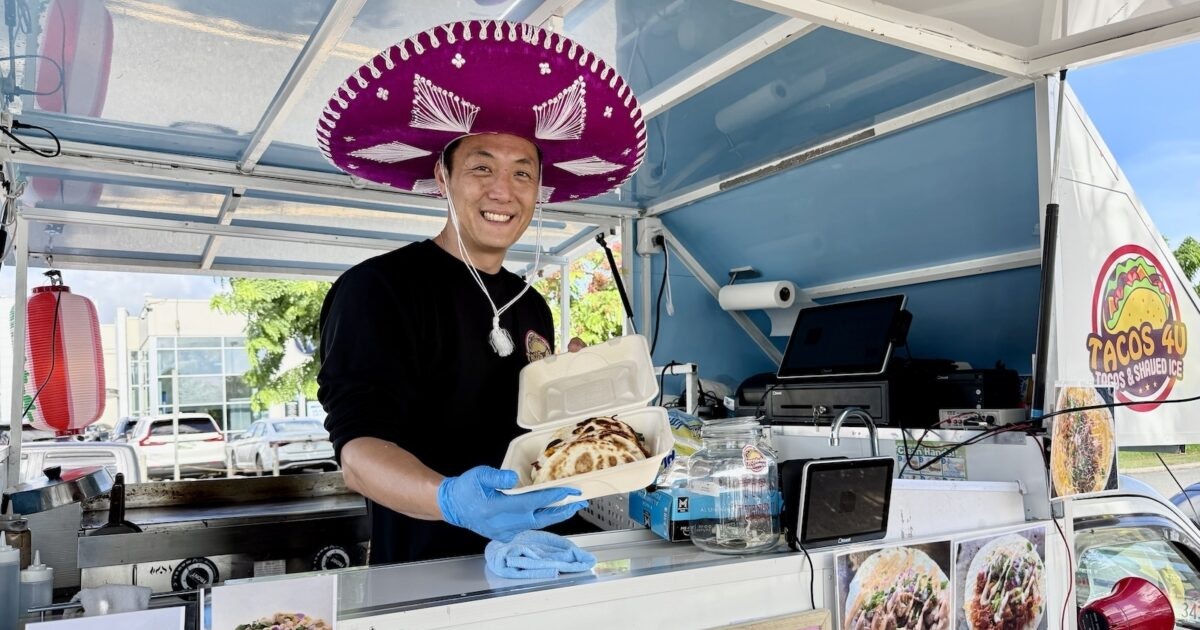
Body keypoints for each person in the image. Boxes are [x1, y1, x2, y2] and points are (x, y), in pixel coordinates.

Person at [315, 19, 647, 564]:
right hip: (424, 577)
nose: (502, 190)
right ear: (442, 177)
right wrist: (450, 500)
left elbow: (528, 431)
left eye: (522, 172)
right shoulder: (377, 290)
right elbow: (358, 454)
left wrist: (579, 395)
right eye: (481, 167)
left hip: (533, 561)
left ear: (540, 190)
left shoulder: (531, 304)